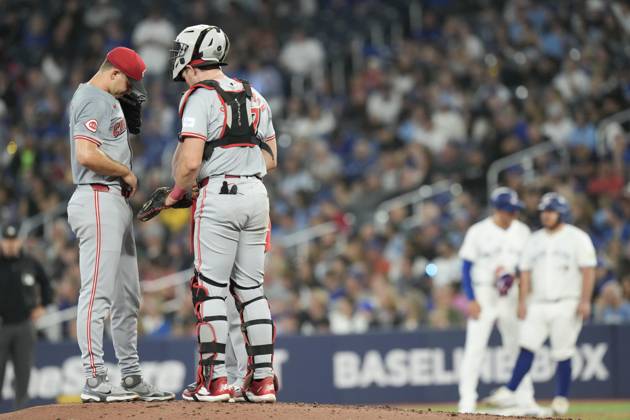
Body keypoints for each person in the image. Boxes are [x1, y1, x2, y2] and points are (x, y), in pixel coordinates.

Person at [167, 24, 278, 403]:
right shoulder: (254, 94)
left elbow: (190, 163)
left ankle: (214, 382)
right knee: (251, 290)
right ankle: (262, 381)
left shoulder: (198, 96)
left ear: (193, 56)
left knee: (209, 289)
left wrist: (180, 190)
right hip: (256, 193)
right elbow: (271, 157)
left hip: (220, 194)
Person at [66, 46, 174, 403]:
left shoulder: (105, 99)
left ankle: (129, 375)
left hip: (113, 201)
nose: (130, 89)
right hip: (97, 196)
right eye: (128, 80)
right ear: (112, 72)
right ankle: (95, 378)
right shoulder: (94, 97)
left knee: (128, 296)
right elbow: (85, 154)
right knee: (98, 292)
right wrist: (126, 170)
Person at [484, 192, 597, 416]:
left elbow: (588, 270)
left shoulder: (577, 238)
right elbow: (525, 272)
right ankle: (510, 390)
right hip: (538, 303)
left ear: (561, 213)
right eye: (544, 211)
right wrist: (523, 301)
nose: (546, 216)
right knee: (526, 345)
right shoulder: (535, 239)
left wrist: (585, 301)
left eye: (551, 211)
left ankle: (561, 398)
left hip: (566, 302)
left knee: (562, 352)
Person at [457, 187, 535, 413]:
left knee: (517, 347)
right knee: (475, 349)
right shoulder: (478, 231)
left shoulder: (522, 231)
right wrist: (471, 299)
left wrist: (522, 298)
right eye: (508, 211)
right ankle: (467, 402)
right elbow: (465, 268)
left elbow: (526, 267)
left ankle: (525, 399)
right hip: (484, 293)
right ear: (497, 210)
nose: (513, 215)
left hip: (510, 295)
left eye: (515, 210)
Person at [0, 223, 52, 409]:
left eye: (13, 240)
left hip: (24, 325)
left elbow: (46, 284)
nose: (10, 244)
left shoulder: (30, 262)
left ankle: (21, 413)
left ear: (20, 242)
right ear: (1, 242)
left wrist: (43, 305)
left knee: (23, 372)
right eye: (7, 240)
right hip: (2, 326)